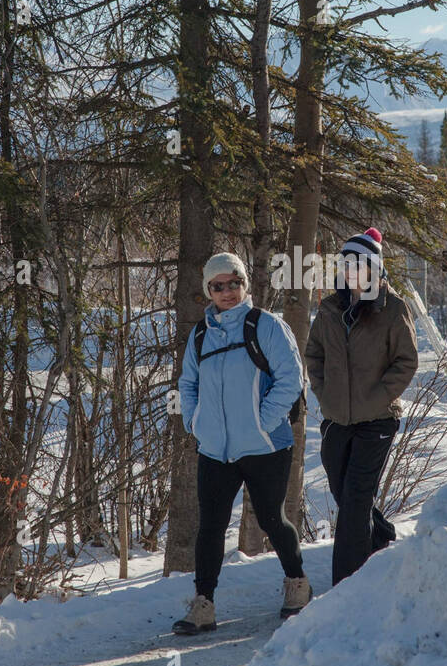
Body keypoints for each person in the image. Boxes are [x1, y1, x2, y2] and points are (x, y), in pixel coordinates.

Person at [173, 252, 311, 634]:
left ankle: (297, 583)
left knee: (270, 517)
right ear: (209, 290)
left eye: (234, 283)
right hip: (216, 448)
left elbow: (291, 378)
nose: (228, 292)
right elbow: (188, 383)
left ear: (244, 284)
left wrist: (262, 422)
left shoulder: (265, 326)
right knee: (211, 526)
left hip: (265, 445)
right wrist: (195, 422)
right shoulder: (200, 334)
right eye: (219, 286)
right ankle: (203, 605)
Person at [305, 228, 419, 586]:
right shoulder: (329, 308)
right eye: (347, 263)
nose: (352, 270)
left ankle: (345, 588)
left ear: (375, 268)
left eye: (361, 264)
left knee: (354, 503)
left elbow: (406, 361)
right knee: (347, 495)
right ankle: (381, 535)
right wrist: (326, 395)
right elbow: (315, 355)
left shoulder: (392, 309)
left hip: (377, 420)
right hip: (336, 419)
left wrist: (380, 396)